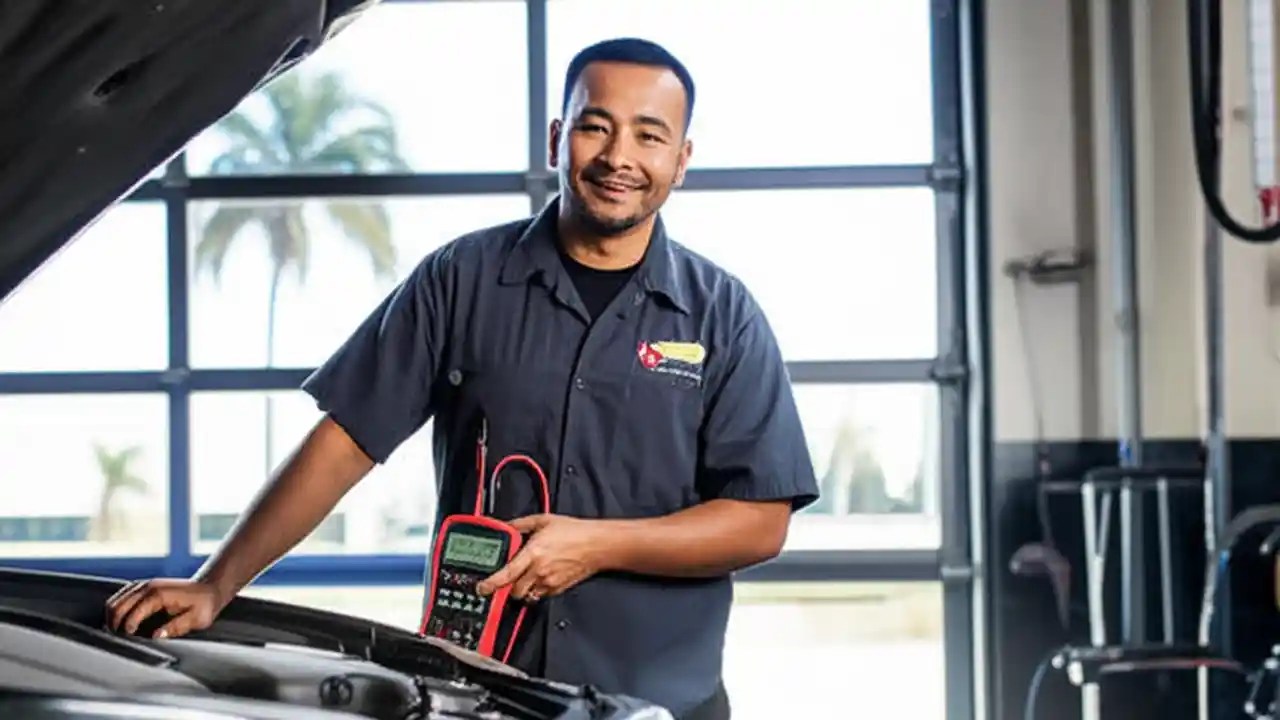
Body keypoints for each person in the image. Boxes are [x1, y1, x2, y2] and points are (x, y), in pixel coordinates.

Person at [105, 37, 819, 720]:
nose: (618, 157)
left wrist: (597, 544)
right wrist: (216, 583)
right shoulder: (461, 280)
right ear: (556, 138)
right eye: (594, 127)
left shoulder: (724, 315)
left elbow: (760, 522)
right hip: (480, 694)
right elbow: (344, 443)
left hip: (661, 706)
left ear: (682, 159)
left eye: (649, 135)